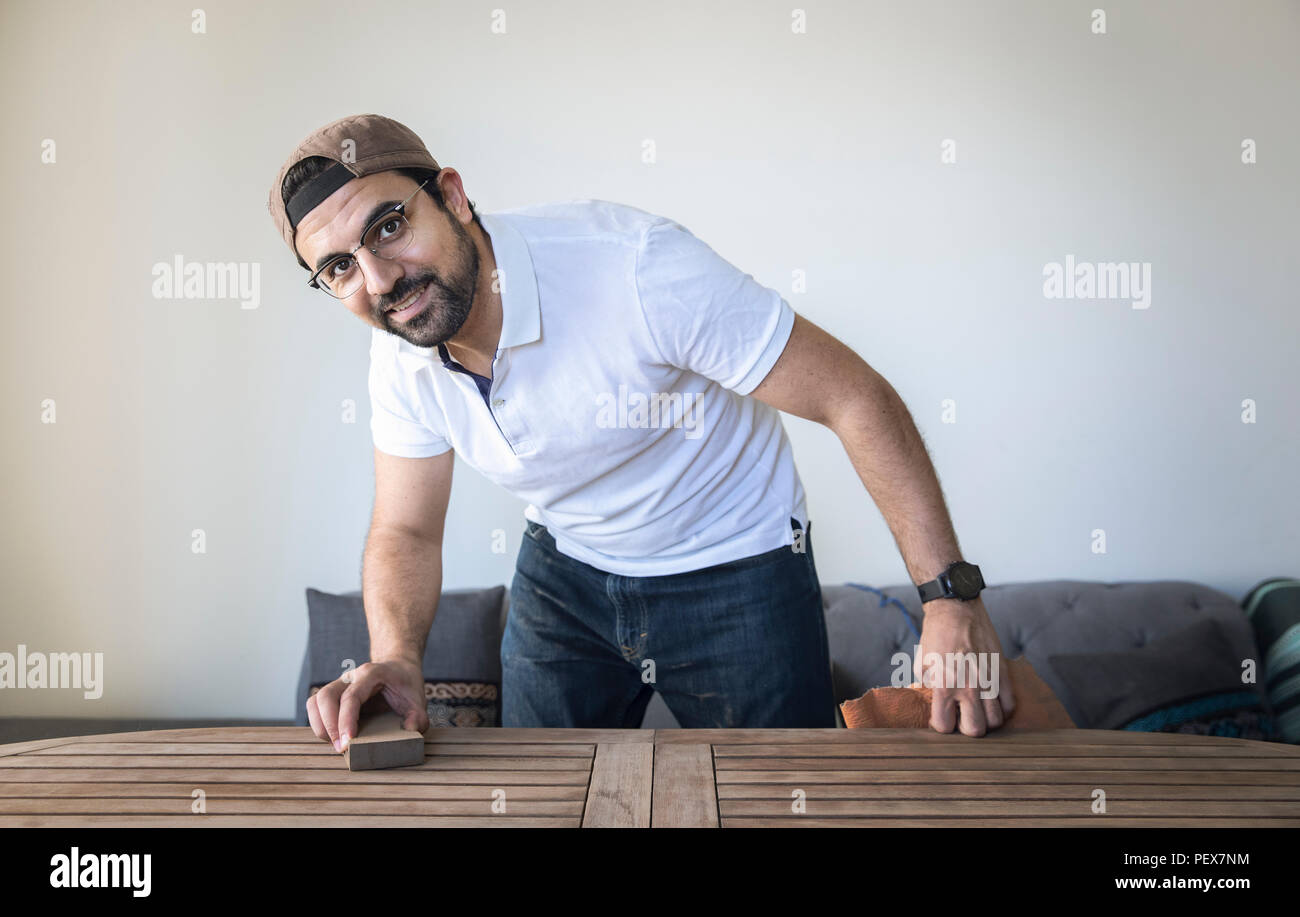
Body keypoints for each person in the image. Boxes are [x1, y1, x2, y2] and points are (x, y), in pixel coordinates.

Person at [267, 113, 1015, 748]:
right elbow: (406, 527)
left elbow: (855, 396)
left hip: (737, 567)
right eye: (338, 267)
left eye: (390, 225)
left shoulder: (636, 268)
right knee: (542, 806)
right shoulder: (400, 349)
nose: (379, 279)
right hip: (565, 578)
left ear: (454, 197)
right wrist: (395, 657)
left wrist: (950, 599)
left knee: (779, 807)